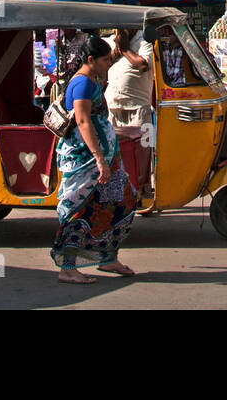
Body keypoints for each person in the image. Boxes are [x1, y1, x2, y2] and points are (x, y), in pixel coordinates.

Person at [51, 37, 137, 284]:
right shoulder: (82, 84)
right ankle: (68, 268)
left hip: (105, 160)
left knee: (120, 202)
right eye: (106, 59)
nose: (110, 63)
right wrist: (99, 159)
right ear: (91, 60)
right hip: (86, 161)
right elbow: (83, 121)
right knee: (78, 210)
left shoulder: (92, 80)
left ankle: (107, 258)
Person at [104, 27, 154, 130]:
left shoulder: (144, 41)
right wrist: (116, 51)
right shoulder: (111, 40)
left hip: (136, 108)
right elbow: (104, 64)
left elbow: (143, 65)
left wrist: (125, 49)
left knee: (140, 144)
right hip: (112, 107)